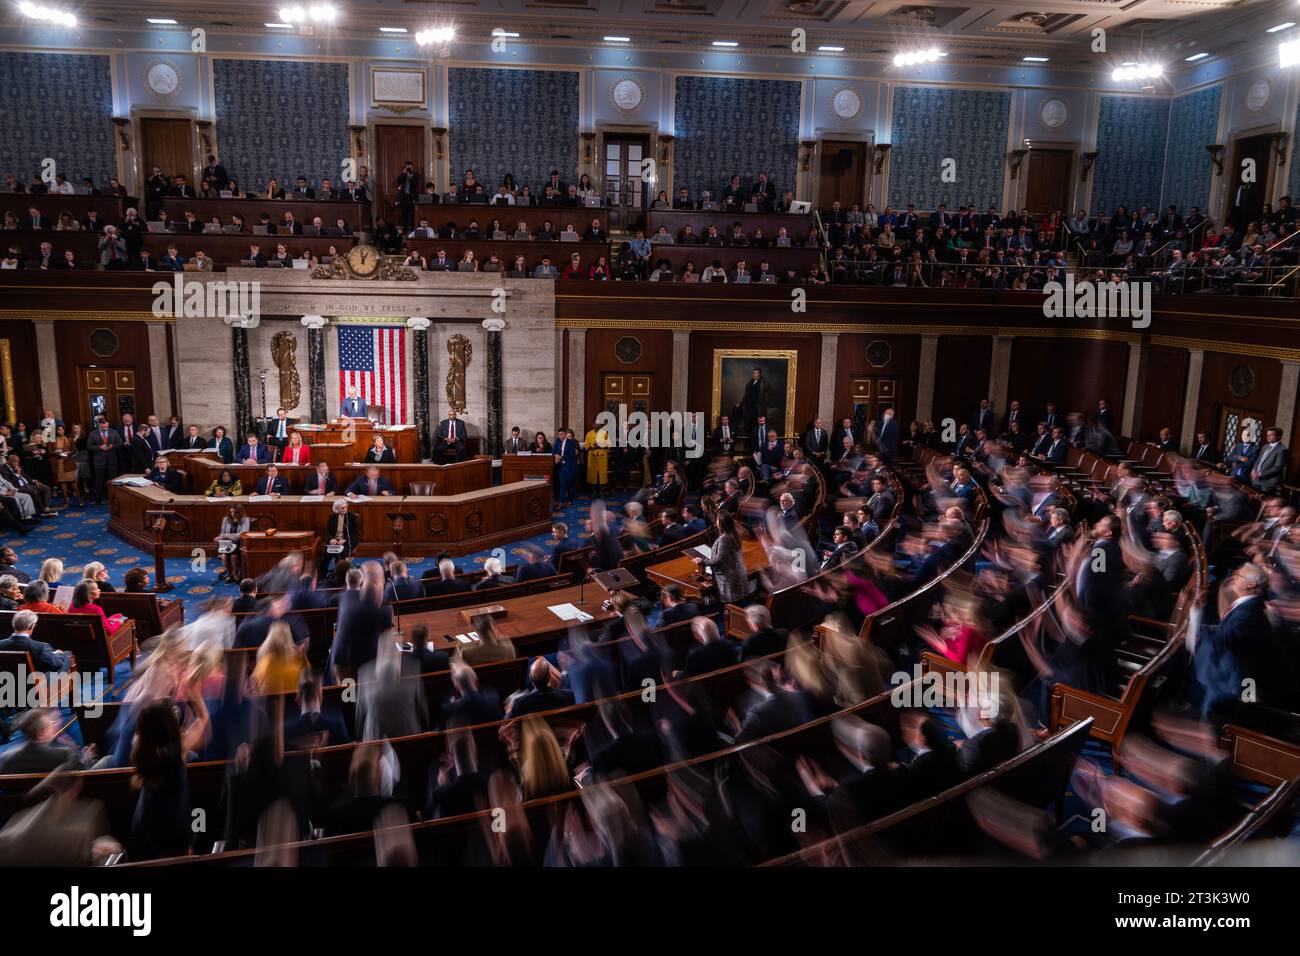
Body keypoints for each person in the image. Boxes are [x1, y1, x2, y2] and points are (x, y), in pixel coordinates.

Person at [692, 511, 751, 604]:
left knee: (730, 605)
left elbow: (719, 559)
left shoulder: (724, 538)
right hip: (736, 572)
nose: (716, 522)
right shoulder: (736, 534)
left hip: (728, 576)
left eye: (717, 520)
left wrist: (702, 561)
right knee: (738, 603)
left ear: (721, 522)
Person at [320, 499, 360, 577]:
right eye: (342, 508)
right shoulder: (332, 517)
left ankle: (340, 575)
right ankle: (323, 575)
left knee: (342, 553)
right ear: (337, 509)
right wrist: (331, 539)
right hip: (334, 542)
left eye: (345, 507)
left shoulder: (351, 517)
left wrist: (345, 540)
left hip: (347, 541)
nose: (344, 509)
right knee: (326, 554)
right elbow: (328, 531)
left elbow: (355, 532)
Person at [87, 417, 122, 504]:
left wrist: (112, 446)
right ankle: (98, 499)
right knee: (99, 480)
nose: (104, 428)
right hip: (99, 460)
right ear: (98, 425)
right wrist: (99, 447)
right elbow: (89, 446)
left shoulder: (114, 432)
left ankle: (115, 498)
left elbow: (120, 443)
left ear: (108, 424)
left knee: (113, 479)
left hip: (112, 459)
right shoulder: (93, 434)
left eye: (106, 427)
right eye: (102, 427)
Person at [215, 504, 249, 583]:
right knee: (225, 556)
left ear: (240, 512)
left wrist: (226, 535)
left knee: (233, 556)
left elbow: (241, 534)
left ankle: (235, 574)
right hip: (227, 543)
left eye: (235, 512)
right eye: (231, 512)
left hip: (239, 544)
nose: (232, 514)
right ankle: (230, 574)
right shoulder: (226, 519)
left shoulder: (245, 520)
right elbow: (222, 533)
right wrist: (219, 537)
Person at [554, 427, 578, 507]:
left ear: (565, 434)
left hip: (569, 466)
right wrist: (555, 455)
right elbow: (553, 450)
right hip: (561, 466)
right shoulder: (557, 441)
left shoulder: (571, 443)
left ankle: (570, 500)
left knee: (569, 484)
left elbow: (572, 455)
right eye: (559, 434)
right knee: (562, 484)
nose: (561, 436)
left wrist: (561, 457)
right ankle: (561, 502)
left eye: (562, 434)